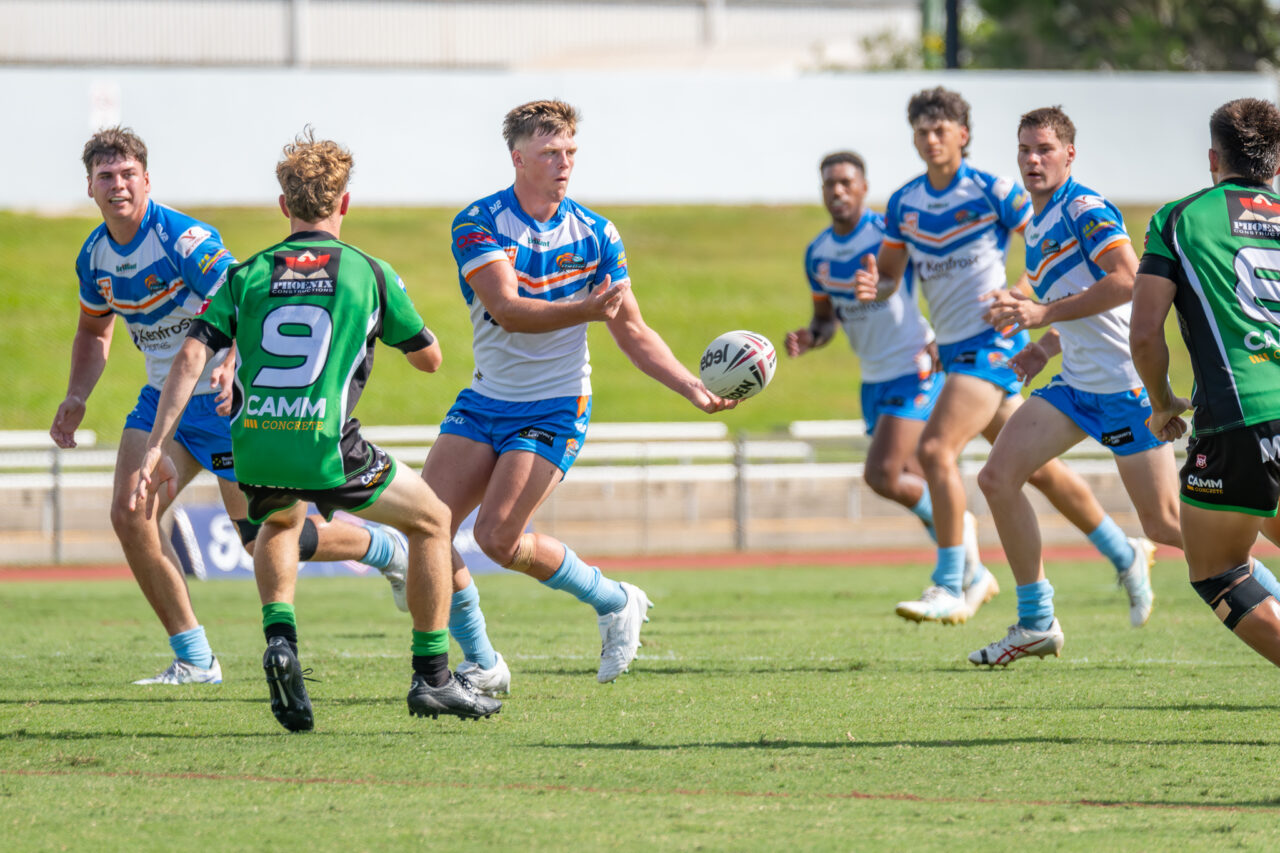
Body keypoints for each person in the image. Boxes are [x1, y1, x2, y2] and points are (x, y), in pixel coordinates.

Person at [131, 129, 501, 731]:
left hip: (254, 440)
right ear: (345, 204)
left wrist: (155, 447)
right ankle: (433, 677)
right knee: (432, 520)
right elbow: (428, 358)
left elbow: (191, 357)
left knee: (278, 521)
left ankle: (281, 642)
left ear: (284, 206)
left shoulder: (246, 274)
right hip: (328, 440)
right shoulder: (369, 272)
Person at [51, 127, 412, 688]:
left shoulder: (183, 239)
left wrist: (232, 361)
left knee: (260, 536)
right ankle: (195, 657)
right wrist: (76, 395)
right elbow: (92, 333)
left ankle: (383, 546)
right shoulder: (94, 256)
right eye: (106, 177)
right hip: (163, 402)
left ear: (147, 180)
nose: (118, 185)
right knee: (130, 513)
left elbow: (249, 294)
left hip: (224, 401)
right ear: (91, 188)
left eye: (128, 175)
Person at [424, 99, 736, 690]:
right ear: (517, 157)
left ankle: (614, 600)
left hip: (555, 404)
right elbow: (509, 311)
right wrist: (585, 308)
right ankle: (485, 664)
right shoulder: (479, 222)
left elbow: (632, 329)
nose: (563, 162)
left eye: (570, 151)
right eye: (549, 152)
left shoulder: (596, 233)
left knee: (495, 538)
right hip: (486, 398)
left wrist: (693, 387)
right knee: (426, 532)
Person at [854, 87, 1151, 627]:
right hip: (956, 350)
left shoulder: (994, 190)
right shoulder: (903, 203)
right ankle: (1123, 551)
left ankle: (955, 581)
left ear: (962, 136)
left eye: (940, 129)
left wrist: (1023, 301)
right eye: (921, 131)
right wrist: (876, 283)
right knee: (1036, 474)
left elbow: (1039, 252)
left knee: (937, 450)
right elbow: (893, 273)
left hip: (994, 346)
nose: (930, 139)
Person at [967, 106, 1181, 667]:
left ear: (1069, 155)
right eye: (1024, 150)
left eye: (1044, 149)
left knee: (1168, 524)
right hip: (1074, 388)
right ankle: (1036, 622)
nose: (1033, 160)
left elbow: (1128, 280)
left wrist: (1040, 315)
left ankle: (1265, 581)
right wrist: (1043, 345)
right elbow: (1079, 307)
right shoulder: (1036, 224)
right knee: (997, 477)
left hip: (1124, 390)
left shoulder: (1084, 207)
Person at [785, 150, 994, 613]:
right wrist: (810, 337)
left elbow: (939, 281)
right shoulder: (817, 253)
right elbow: (826, 319)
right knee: (917, 479)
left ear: (863, 187)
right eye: (829, 184)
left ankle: (960, 540)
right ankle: (973, 573)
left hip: (913, 365)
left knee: (882, 474)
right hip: (873, 378)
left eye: (845, 182)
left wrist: (945, 336)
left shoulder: (888, 233)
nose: (837, 191)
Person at [1130, 97, 1280, 673]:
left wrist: (1162, 401)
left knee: (1219, 570)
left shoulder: (1180, 218)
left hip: (1239, 418)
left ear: (1213, 158)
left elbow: (1145, 333)